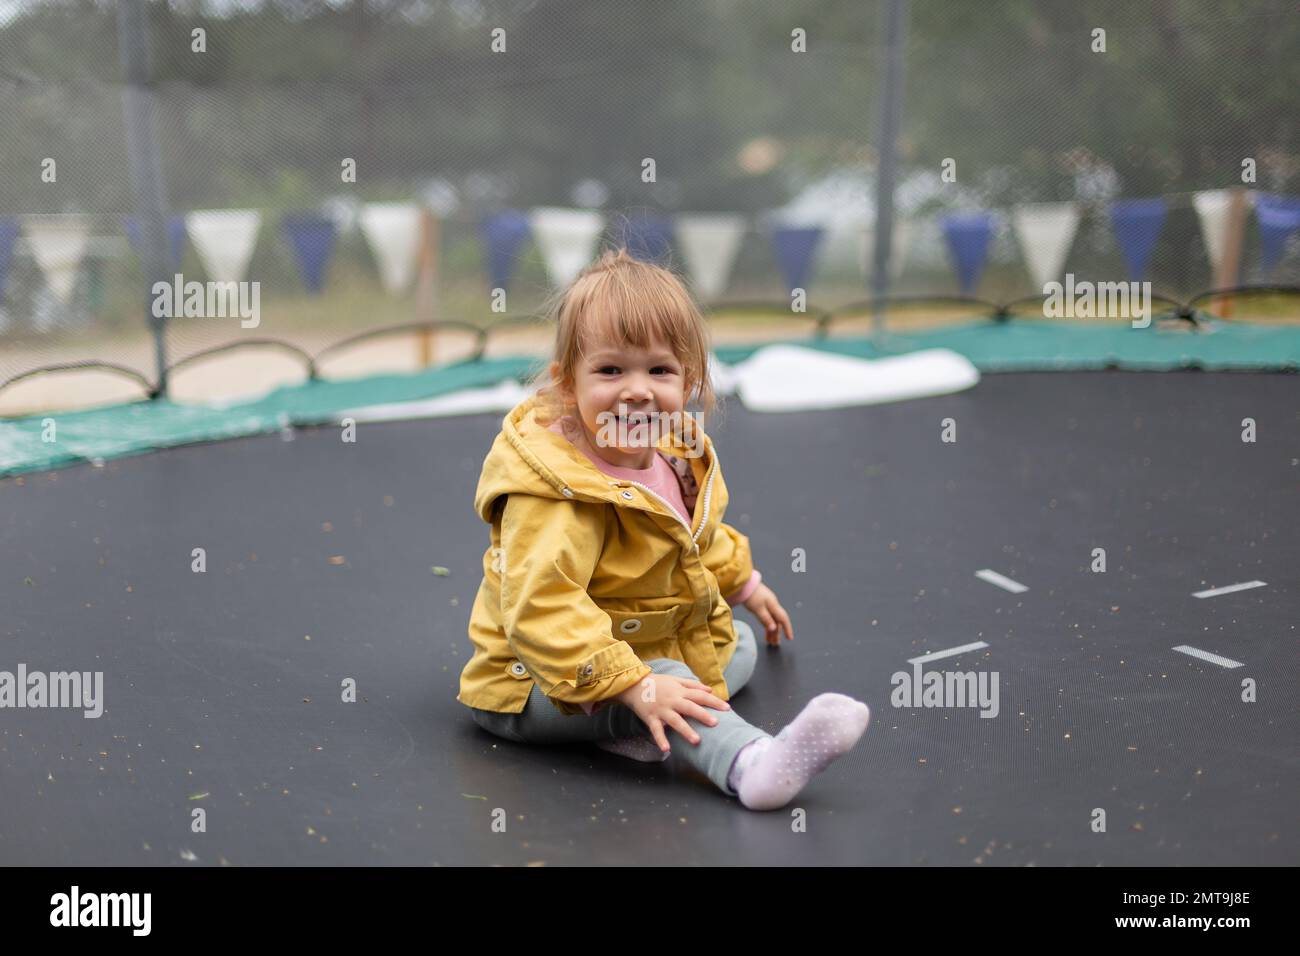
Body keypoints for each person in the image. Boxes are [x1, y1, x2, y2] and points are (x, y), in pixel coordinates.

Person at [457, 246, 870, 810]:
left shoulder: (676, 457)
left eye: (659, 370)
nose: (637, 389)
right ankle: (751, 766)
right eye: (610, 370)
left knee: (733, 646)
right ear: (567, 383)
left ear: (688, 379)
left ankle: (632, 726)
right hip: (530, 684)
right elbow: (541, 607)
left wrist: (744, 584)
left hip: (632, 641)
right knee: (670, 677)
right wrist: (634, 685)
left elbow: (693, 542)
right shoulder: (556, 491)